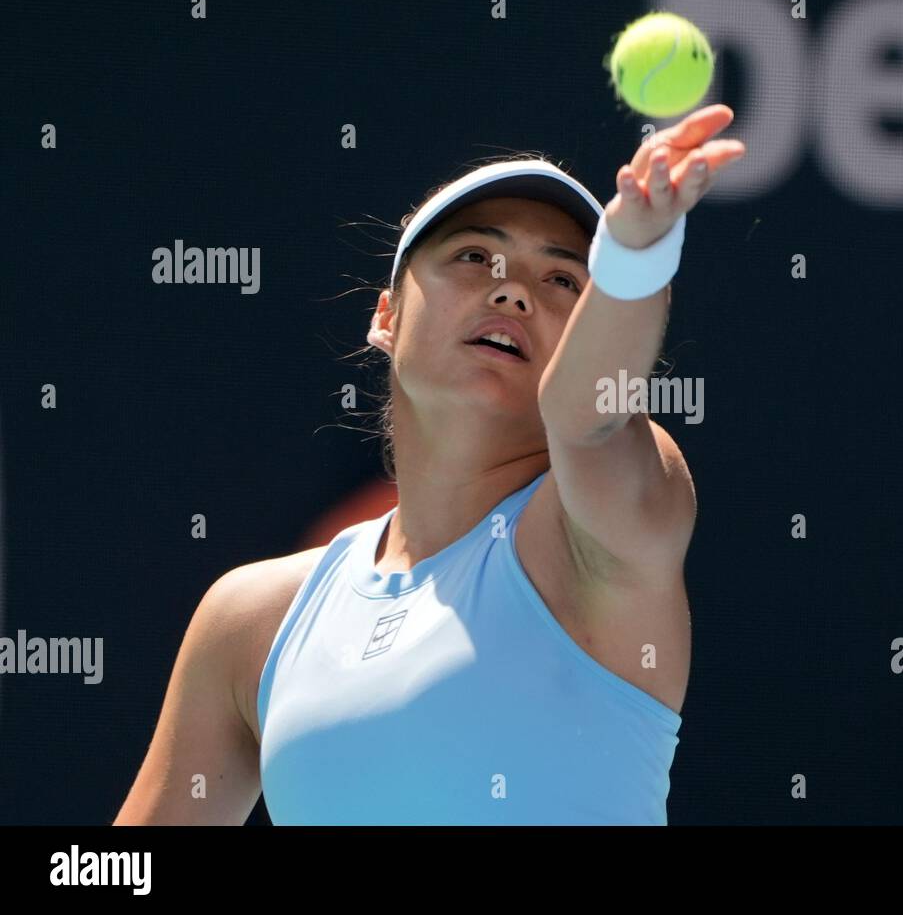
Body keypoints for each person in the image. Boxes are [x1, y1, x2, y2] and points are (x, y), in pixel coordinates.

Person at [114, 105, 747, 824]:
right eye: (476, 257)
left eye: (564, 282)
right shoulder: (250, 620)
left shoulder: (597, 534)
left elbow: (589, 417)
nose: (512, 291)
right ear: (387, 316)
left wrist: (633, 254)